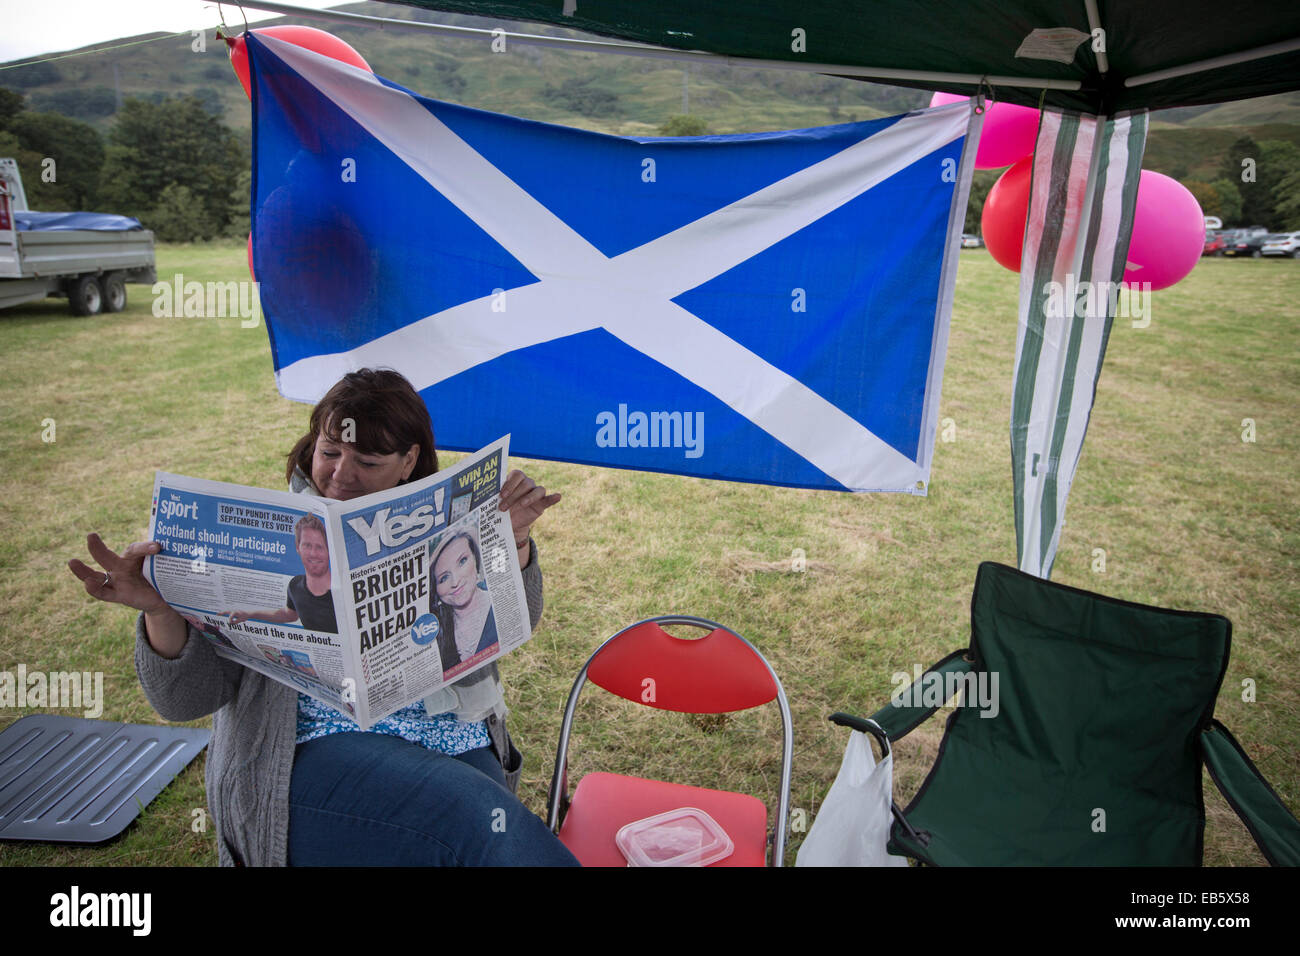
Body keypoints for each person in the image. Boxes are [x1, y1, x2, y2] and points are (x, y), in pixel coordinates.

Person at [68, 368, 579, 866]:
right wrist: (160, 610)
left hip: (450, 734)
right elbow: (185, 701)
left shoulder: (445, 521)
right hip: (310, 754)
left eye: (368, 461)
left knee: (485, 825)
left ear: (410, 461)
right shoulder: (279, 547)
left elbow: (512, 623)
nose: (340, 475)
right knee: (481, 821)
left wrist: (512, 543)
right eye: (330, 452)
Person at [228, 513, 337, 633]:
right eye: (307, 545)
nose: (313, 553)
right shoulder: (295, 585)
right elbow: (288, 614)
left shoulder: (341, 589)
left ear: (329, 550)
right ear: (297, 547)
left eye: (319, 547)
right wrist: (249, 614)